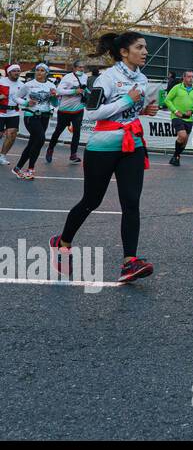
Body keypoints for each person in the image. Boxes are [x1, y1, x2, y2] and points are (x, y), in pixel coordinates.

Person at [51, 31, 159, 283]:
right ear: (124, 52)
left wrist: (143, 108)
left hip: (131, 145)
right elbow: (93, 113)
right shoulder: (107, 79)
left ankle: (129, 262)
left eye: (145, 48)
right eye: (140, 47)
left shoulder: (142, 79)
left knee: (131, 202)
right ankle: (62, 241)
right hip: (102, 147)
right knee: (92, 200)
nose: (145, 52)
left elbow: (128, 109)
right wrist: (126, 100)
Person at [13, 64, 57, 179]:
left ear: (46, 73)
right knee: (40, 139)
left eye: (42, 71)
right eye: (37, 70)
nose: (39, 72)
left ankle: (17, 168)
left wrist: (54, 97)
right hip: (31, 115)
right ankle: (30, 168)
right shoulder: (28, 85)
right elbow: (16, 97)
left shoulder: (51, 85)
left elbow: (55, 104)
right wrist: (26, 103)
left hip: (45, 116)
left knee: (33, 143)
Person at [45, 60, 89, 164]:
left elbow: (84, 89)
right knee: (58, 131)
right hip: (65, 110)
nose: (81, 69)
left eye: (83, 67)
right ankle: (50, 149)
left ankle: (73, 155)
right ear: (74, 68)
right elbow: (59, 91)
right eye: (79, 67)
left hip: (78, 109)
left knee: (77, 132)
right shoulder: (67, 77)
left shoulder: (85, 77)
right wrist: (74, 91)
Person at [164, 70, 193, 166]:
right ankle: (176, 157)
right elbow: (167, 100)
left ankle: (175, 156)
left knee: (184, 142)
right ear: (184, 78)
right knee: (182, 136)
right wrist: (175, 111)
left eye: (192, 77)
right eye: (189, 77)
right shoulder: (177, 88)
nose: (191, 79)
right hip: (177, 117)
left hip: (189, 118)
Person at [0, 63, 22, 165]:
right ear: (9, 72)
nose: (17, 73)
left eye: (18, 71)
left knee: (12, 134)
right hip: (0, 112)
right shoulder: (1, 81)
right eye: (14, 71)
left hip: (14, 112)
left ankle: (2, 156)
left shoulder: (22, 85)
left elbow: (26, 98)